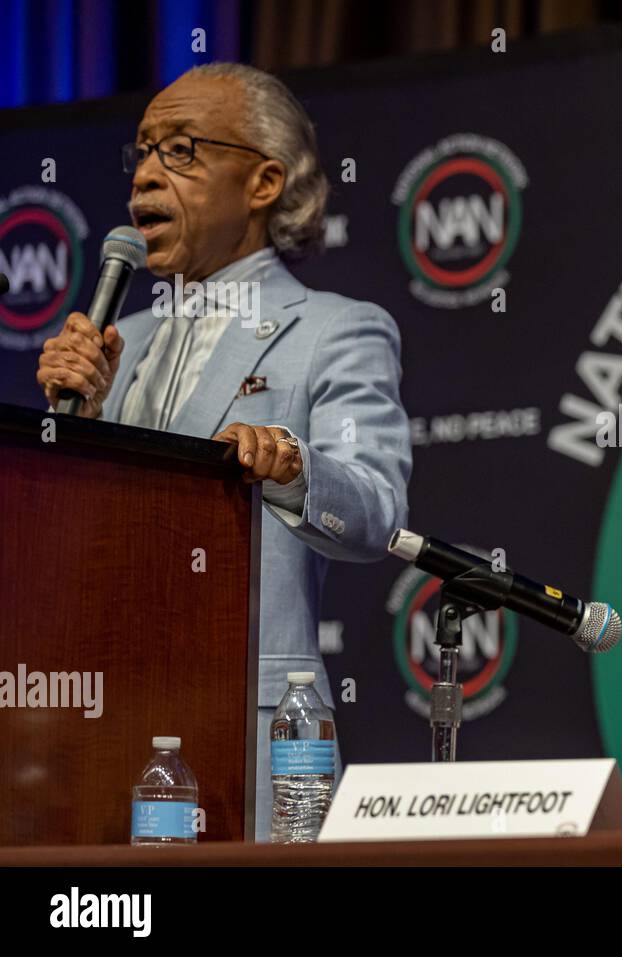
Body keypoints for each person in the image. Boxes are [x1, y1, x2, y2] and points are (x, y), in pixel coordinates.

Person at [34, 62, 412, 841]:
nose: (144, 175)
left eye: (181, 150)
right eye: (140, 151)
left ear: (265, 181)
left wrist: (293, 467)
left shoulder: (334, 330)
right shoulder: (119, 343)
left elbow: (376, 509)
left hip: (256, 735)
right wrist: (73, 431)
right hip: (100, 727)